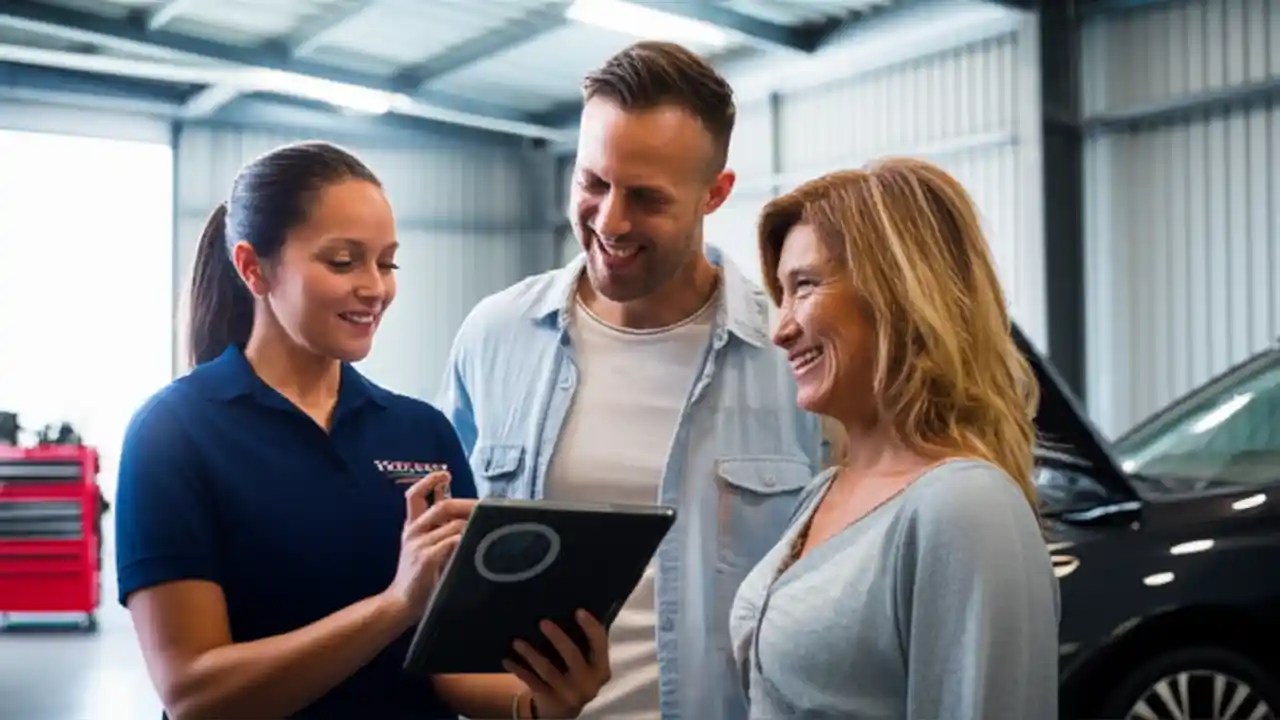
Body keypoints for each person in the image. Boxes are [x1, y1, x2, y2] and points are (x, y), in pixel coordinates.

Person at [114, 141, 612, 720]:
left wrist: (541, 703)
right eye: (343, 261)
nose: (375, 287)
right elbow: (194, 694)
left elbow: (446, 669)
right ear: (253, 268)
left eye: (387, 263)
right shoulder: (173, 434)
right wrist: (394, 605)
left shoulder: (420, 433)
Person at [437, 42, 824, 720]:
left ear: (715, 193)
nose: (610, 221)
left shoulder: (791, 355)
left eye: (646, 198)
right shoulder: (494, 336)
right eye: (593, 182)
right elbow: (447, 586)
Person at [729, 158, 1061, 719]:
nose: (780, 330)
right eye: (780, 295)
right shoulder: (822, 492)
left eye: (804, 286)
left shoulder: (965, 506)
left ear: (897, 295)